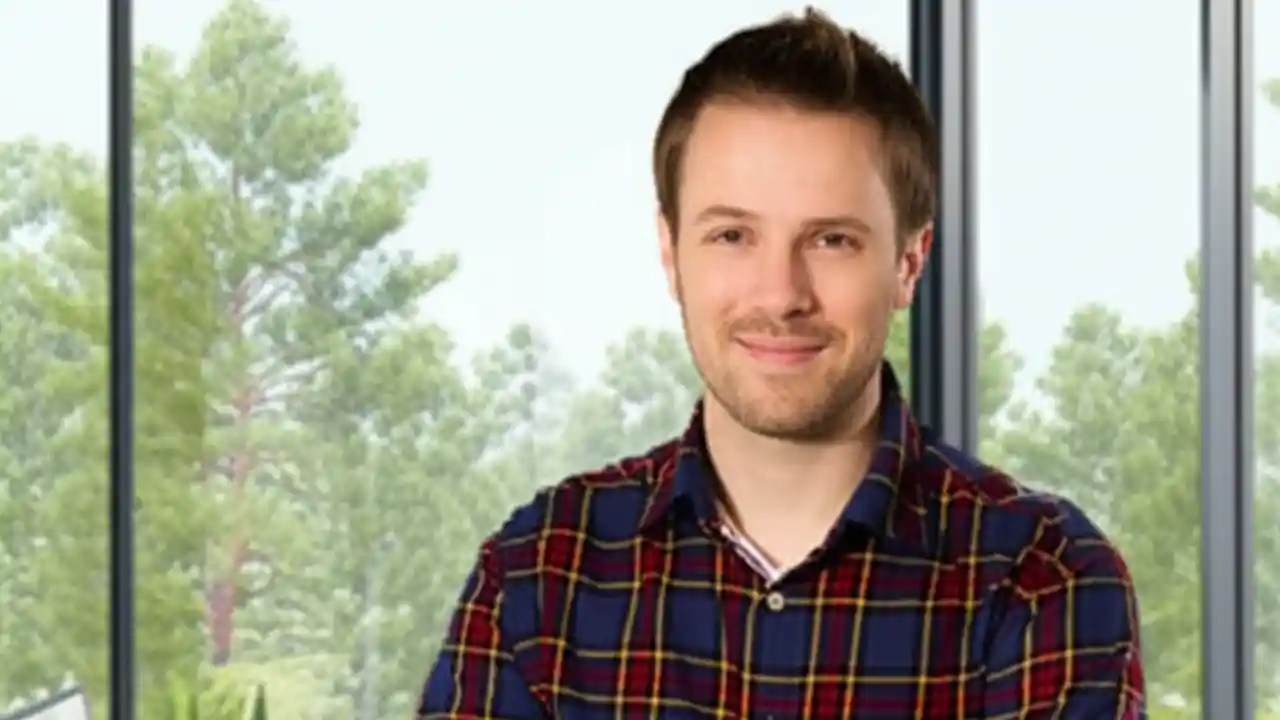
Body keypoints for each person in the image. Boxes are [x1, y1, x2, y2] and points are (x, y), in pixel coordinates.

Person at [417, 7, 1144, 718]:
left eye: (831, 240)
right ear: (671, 253)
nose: (780, 295)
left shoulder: (1041, 578)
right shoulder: (539, 574)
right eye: (732, 235)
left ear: (908, 262)